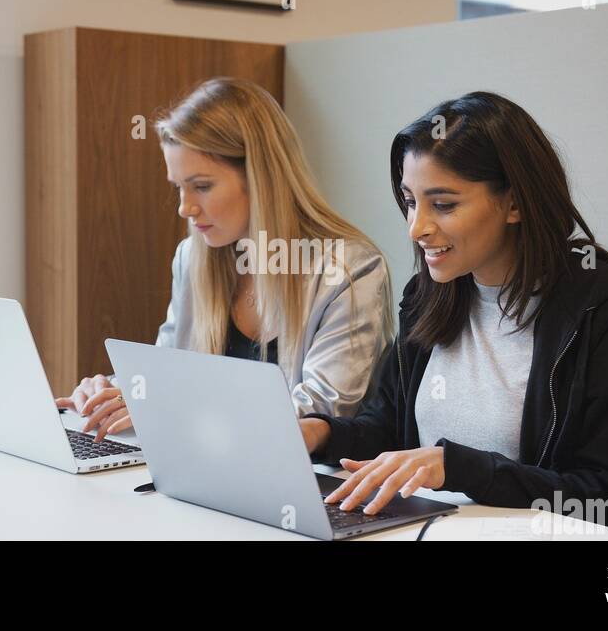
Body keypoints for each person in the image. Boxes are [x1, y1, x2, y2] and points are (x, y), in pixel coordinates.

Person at [299, 91, 608, 539]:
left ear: (515, 203)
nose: (416, 227)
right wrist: (321, 435)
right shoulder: (429, 296)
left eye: (443, 204)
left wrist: (461, 469)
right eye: (410, 201)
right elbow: (388, 429)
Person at [57, 77, 393, 442]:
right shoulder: (193, 257)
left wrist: (164, 404)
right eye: (179, 187)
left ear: (261, 177)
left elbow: (318, 414)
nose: (185, 207)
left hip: (309, 481)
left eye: (201, 186)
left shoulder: (349, 270)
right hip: (209, 464)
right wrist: (111, 391)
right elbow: (167, 371)